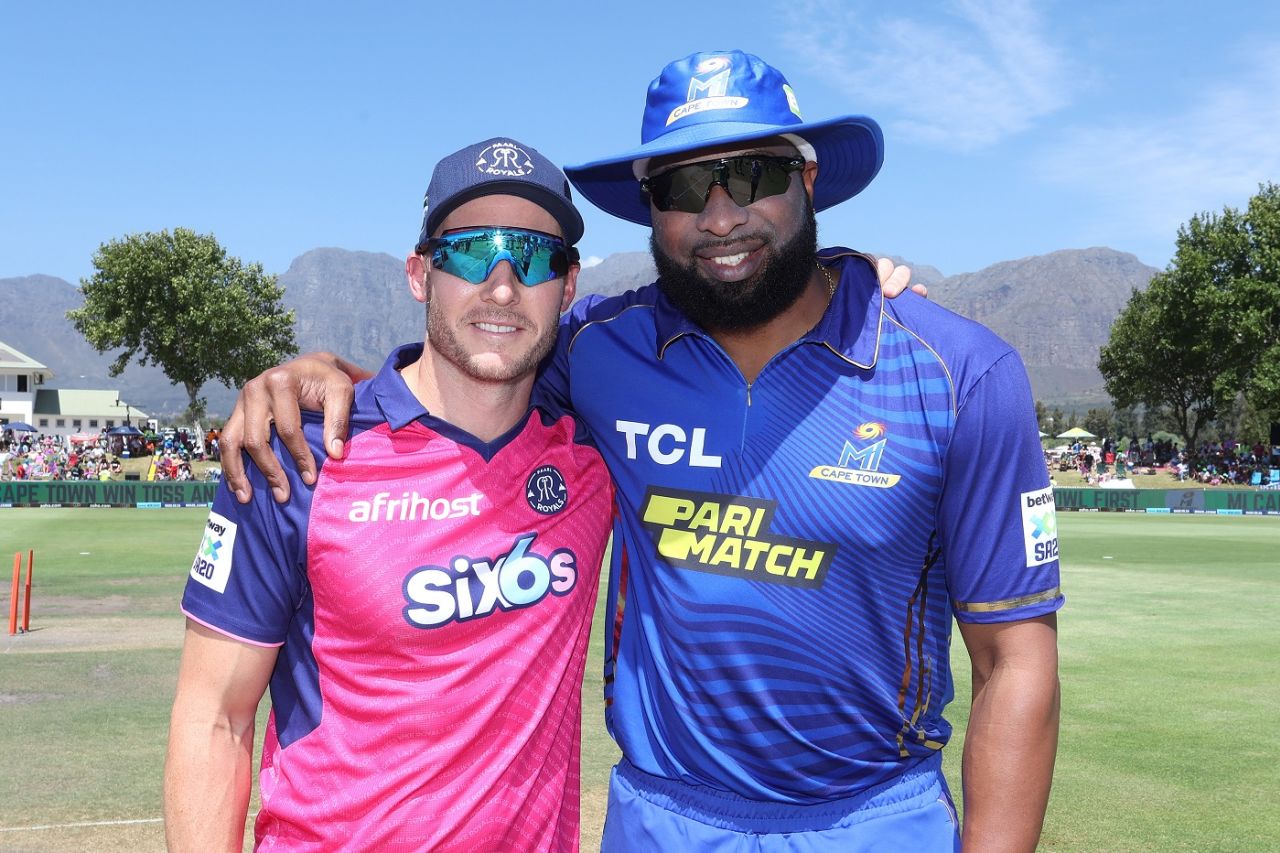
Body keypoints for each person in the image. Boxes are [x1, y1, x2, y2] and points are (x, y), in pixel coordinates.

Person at [221, 50, 1061, 852]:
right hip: (664, 819)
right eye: (686, 186)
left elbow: (1015, 662)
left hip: (875, 819)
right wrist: (320, 376)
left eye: (757, 177)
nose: (722, 216)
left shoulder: (960, 374)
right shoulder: (599, 350)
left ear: (808, 182)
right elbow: (470, 378)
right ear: (651, 209)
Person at [163, 138, 616, 851]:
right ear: (419, 274)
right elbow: (214, 717)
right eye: (470, 252)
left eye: (532, 256)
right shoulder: (299, 450)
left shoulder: (591, 454)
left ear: (566, 285)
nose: (502, 285)